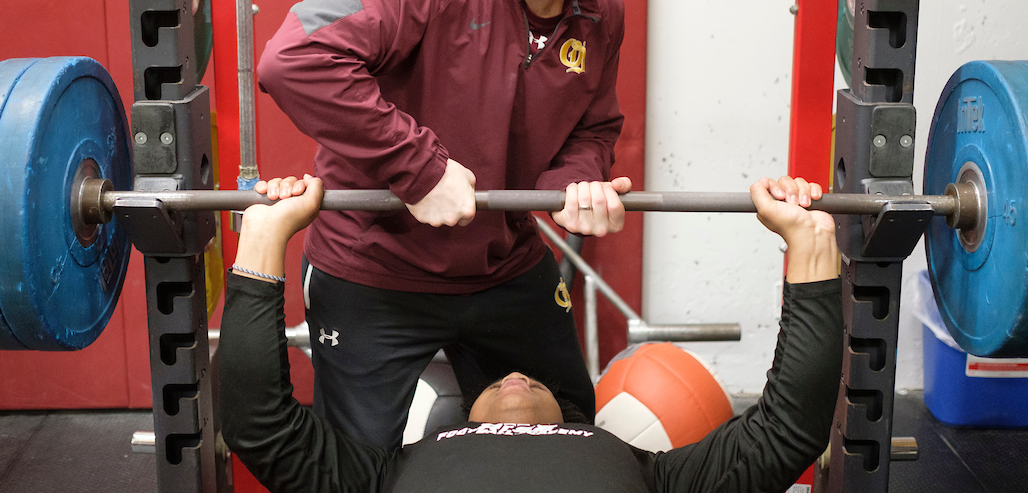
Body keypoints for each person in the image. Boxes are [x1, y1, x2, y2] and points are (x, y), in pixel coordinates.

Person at [255, 0, 641, 446]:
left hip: (505, 266)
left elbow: (593, 128)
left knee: (571, 436)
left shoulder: (603, 8)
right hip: (375, 270)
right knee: (360, 471)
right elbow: (293, 58)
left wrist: (574, 183)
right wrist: (419, 169)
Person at [219, 174, 842, 493]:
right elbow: (786, 431)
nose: (514, 375)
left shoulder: (390, 474)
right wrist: (810, 250)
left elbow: (260, 426)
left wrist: (263, 240)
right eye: (513, 380)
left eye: (511, 380)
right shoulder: (391, 470)